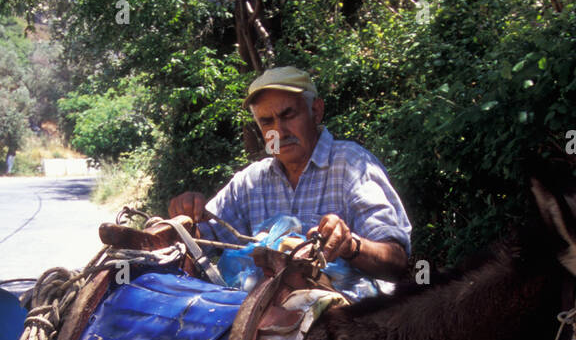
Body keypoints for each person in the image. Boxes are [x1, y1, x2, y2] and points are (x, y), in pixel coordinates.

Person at [168, 66, 411, 282]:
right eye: (266, 122)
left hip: (348, 323)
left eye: (288, 115)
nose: (279, 132)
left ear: (315, 111)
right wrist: (188, 215)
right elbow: (199, 239)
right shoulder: (252, 181)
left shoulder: (351, 165)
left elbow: (397, 261)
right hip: (272, 322)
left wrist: (350, 246)